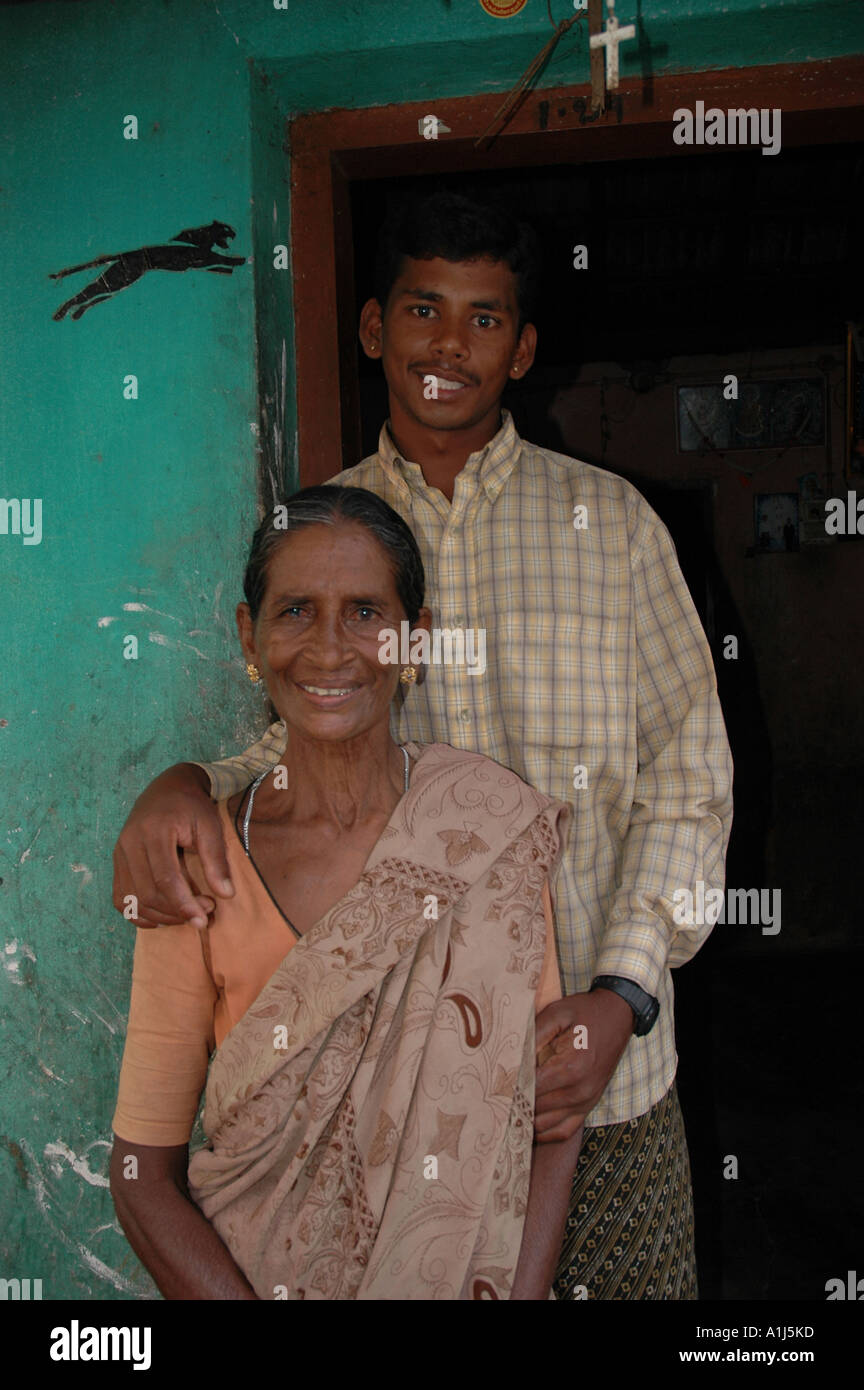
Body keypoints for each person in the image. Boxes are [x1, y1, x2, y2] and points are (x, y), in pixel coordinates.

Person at [112, 191, 734, 1300]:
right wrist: (185, 783)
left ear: (524, 346)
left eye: (485, 318)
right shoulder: (326, 534)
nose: (449, 344)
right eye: (422, 309)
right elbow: (294, 736)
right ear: (371, 329)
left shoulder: (618, 525)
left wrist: (621, 995)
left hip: (600, 1075)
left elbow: (692, 780)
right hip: (404, 1115)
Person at [110, 485, 579, 1301]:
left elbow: (547, 1124)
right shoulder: (199, 863)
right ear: (249, 637)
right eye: (295, 611)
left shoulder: (486, 830)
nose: (331, 648)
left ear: (415, 641)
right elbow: (140, 1174)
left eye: (365, 612)